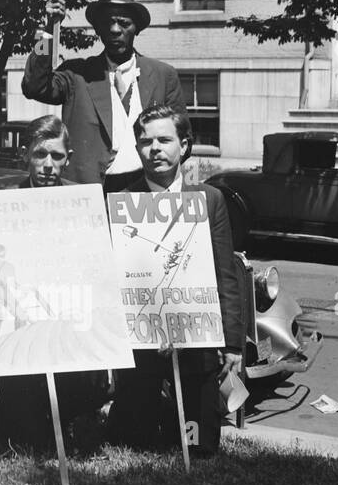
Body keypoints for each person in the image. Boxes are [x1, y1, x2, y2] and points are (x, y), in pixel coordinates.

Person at [105, 106, 245, 458]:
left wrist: (233, 344)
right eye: (145, 141)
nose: (155, 148)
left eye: (165, 140)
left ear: (184, 146)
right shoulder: (122, 201)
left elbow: (225, 273)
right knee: (133, 443)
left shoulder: (209, 200)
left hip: (196, 342)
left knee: (198, 446)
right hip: (142, 344)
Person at [0, 115, 107, 450]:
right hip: (22, 325)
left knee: (71, 422)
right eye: (40, 155)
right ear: (25, 154)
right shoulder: (3, 204)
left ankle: (71, 413)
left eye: (56, 157)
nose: (47, 165)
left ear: (68, 159)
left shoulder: (84, 202)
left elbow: (96, 270)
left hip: (68, 322)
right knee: (21, 435)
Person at [22, 0, 185, 188]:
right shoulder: (76, 74)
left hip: (145, 194)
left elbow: (183, 139)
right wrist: (47, 30)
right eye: (107, 22)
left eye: (123, 23)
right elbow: (33, 86)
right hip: (87, 192)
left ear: (136, 28)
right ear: (98, 29)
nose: (115, 29)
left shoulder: (163, 75)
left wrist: (164, 181)